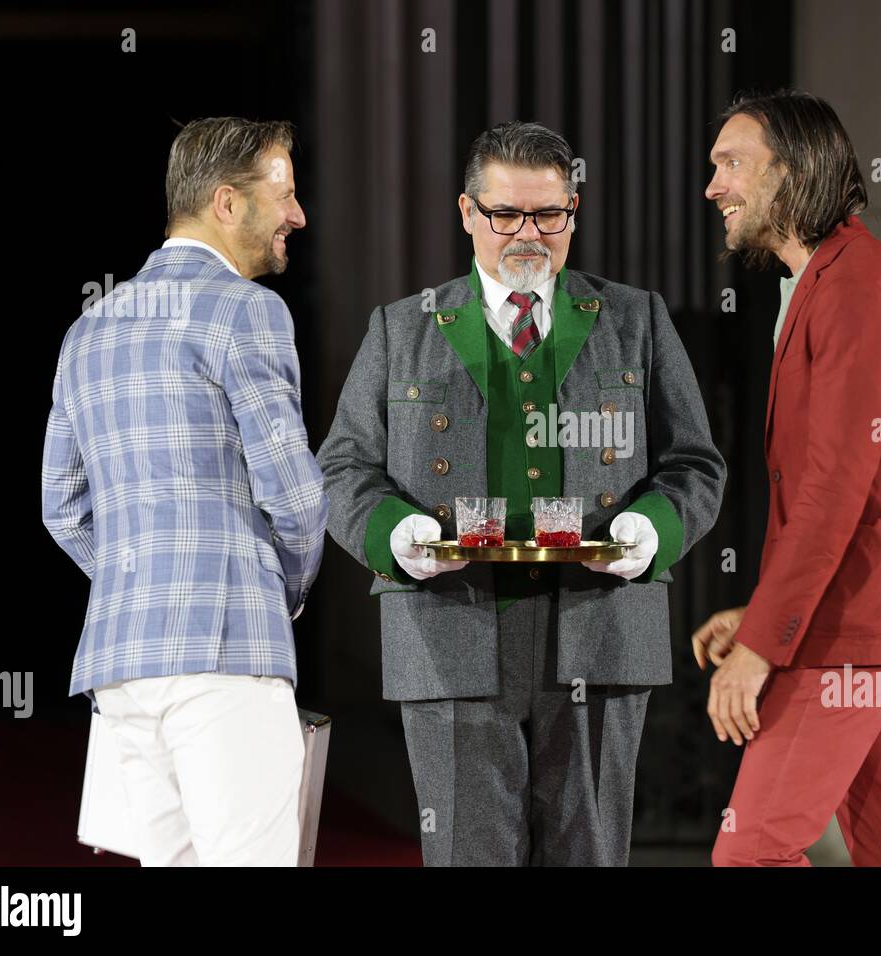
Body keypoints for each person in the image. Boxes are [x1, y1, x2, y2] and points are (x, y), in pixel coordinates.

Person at [317, 120, 725, 866]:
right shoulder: (400, 328)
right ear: (467, 212)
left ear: (575, 209)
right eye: (506, 213)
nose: (526, 233)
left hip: (601, 636)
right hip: (450, 632)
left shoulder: (636, 319)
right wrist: (393, 536)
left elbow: (697, 463)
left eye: (549, 214)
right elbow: (342, 466)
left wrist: (652, 529)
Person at [694, 90, 881, 866]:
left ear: (791, 175)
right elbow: (846, 494)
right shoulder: (834, 279)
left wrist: (761, 646)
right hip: (876, 627)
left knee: (748, 854)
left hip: (853, 638)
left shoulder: (857, 289)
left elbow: (834, 490)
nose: (713, 185)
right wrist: (762, 612)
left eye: (732, 164)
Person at [40, 117, 326, 866]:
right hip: (228, 654)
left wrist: (142, 577)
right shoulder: (248, 311)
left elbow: (60, 507)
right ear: (227, 204)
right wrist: (280, 588)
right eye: (285, 194)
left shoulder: (88, 330)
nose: (298, 215)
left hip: (122, 665)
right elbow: (295, 497)